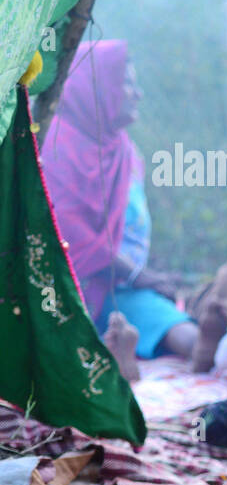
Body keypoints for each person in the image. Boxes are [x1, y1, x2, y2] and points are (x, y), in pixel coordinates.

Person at [39, 40, 197, 381]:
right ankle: (116, 364)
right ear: (94, 87)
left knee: (188, 337)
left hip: (121, 288)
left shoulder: (123, 149)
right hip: (66, 291)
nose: (136, 94)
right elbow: (67, 234)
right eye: (126, 83)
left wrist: (143, 279)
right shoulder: (56, 146)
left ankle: (144, 357)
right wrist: (142, 276)